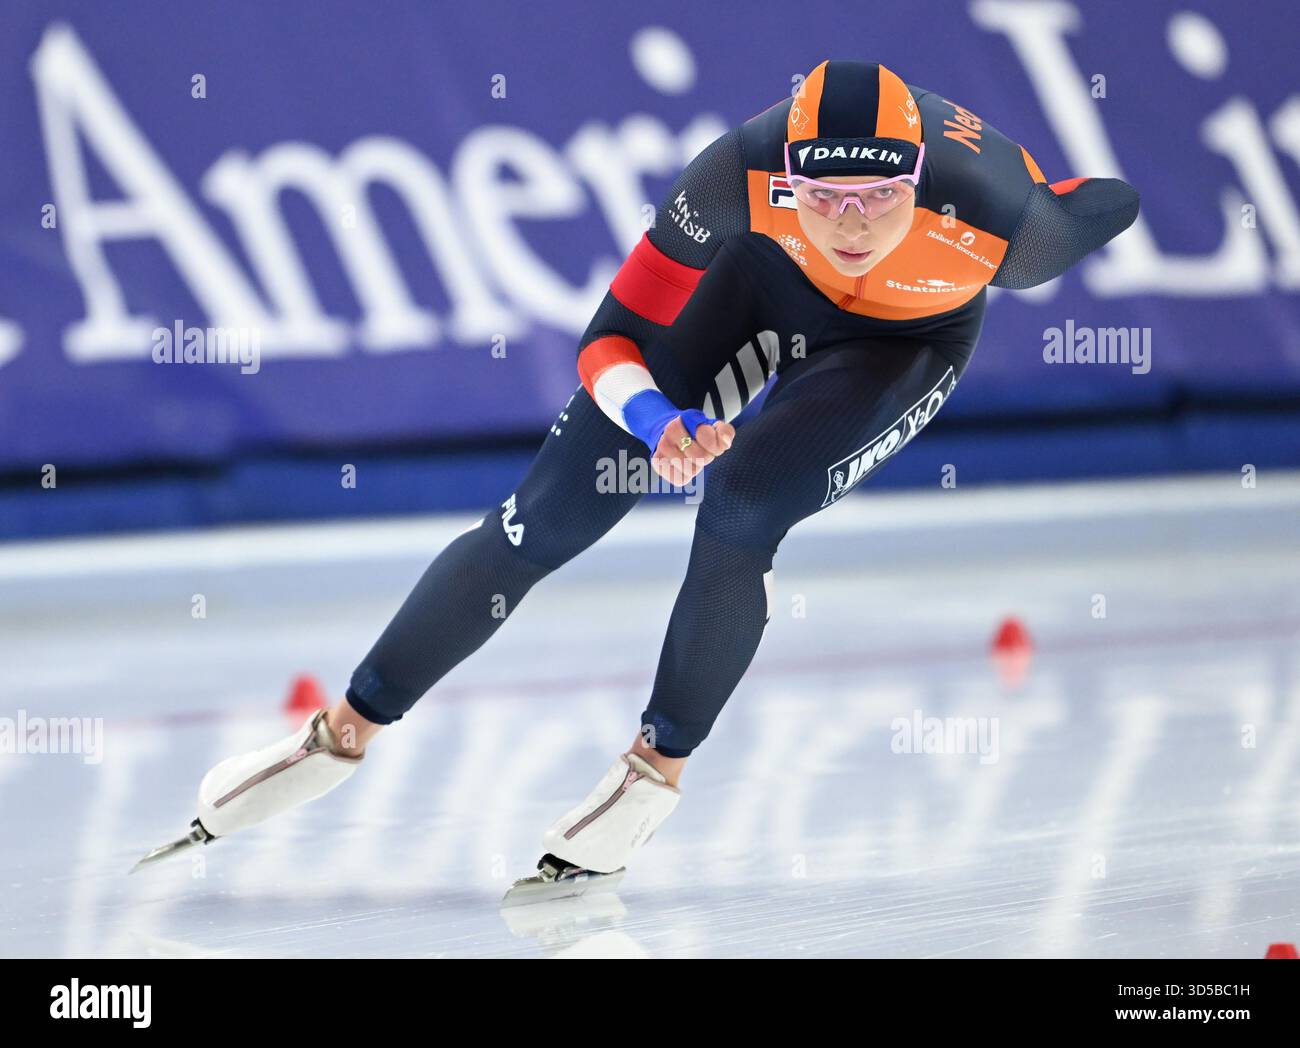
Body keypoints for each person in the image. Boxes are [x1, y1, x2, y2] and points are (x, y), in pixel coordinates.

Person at [144, 60, 1139, 887]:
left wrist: (1073, 187)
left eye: (879, 197)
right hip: (757, 287)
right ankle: (340, 732)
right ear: (784, 177)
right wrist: (657, 420)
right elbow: (609, 338)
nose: (850, 224)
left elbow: (1106, 202)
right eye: (823, 196)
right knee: (543, 515)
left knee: (743, 505)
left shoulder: (1009, 228)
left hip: (900, 347)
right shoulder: (736, 174)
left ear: (918, 181)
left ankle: (652, 773)